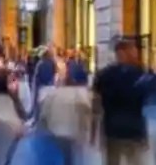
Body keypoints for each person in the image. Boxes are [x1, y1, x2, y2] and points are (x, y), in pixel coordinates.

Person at [91, 37, 149, 165]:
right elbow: (146, 101)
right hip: (134, 128)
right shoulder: (141, 74)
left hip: (112, 127)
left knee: (113, 160)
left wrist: (94, 130)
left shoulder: (104, 75)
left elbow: (96, 102)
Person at [37, 61, 93, 165]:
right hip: (77, 136)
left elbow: (43, 117)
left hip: (56, 135)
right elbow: (90, 115)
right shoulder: (85, 96)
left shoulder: (53, 94)